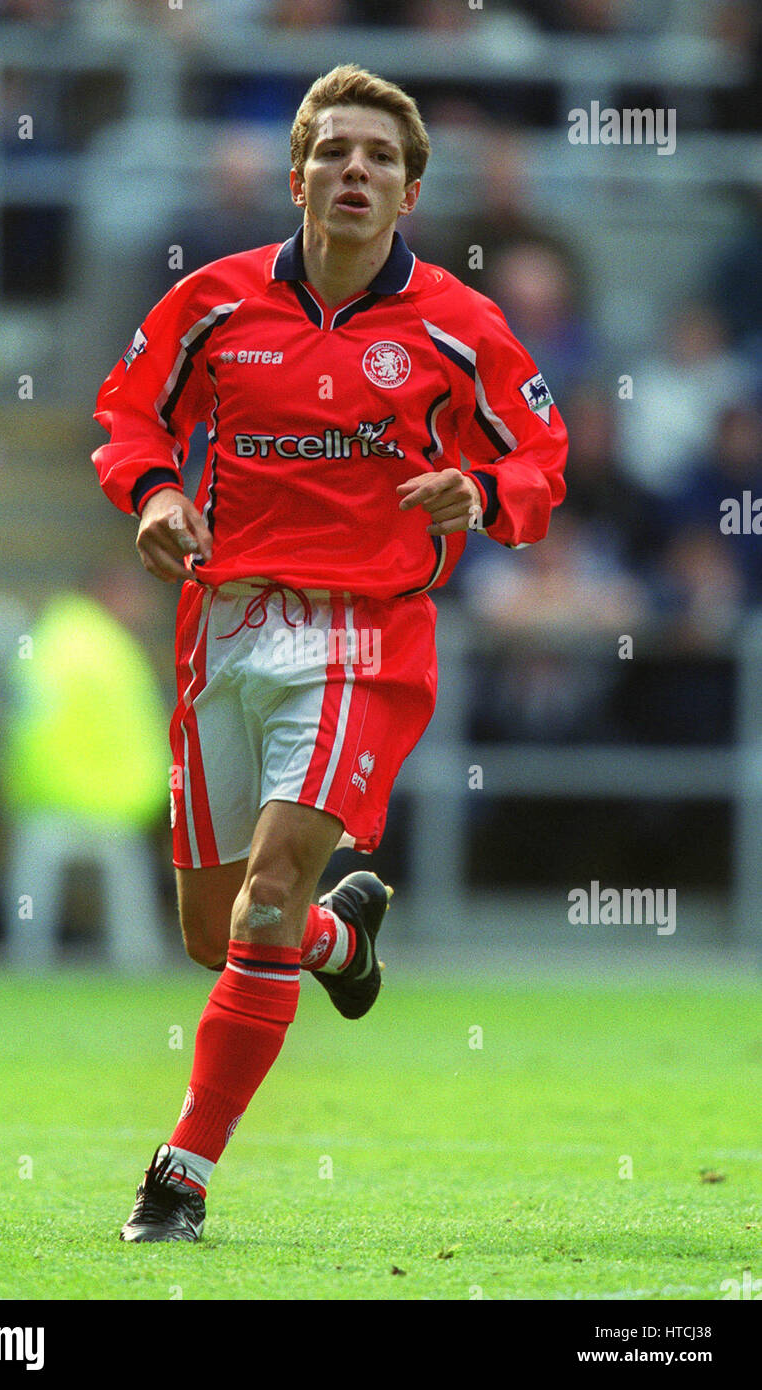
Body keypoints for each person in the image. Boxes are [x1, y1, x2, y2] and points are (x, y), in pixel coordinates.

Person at [92, 63, 568, 1243]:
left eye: (381, 159)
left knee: (260, 899)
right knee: (217, 933)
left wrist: (485, 488)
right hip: (225, 625)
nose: (355, 171)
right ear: (298, 171)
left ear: (410, 194)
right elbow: (128, 411)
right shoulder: (211, 302)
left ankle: (181, 1173)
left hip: (363, 633)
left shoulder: (461, 328)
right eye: (335, 152)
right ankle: (338, 938)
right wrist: (152, 494)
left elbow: (544, 451)